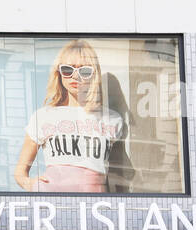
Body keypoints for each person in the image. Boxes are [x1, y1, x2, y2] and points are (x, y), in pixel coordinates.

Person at [14, 38, 123, 193]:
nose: (75, 76)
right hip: (52, 202)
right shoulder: (43, 116)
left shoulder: (112, 119)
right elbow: (19, 172)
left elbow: (119, 175)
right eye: (67, 69)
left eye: (84, 71)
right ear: (58, 73)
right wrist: (31, 184)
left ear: (94, 74)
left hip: (95, 205)